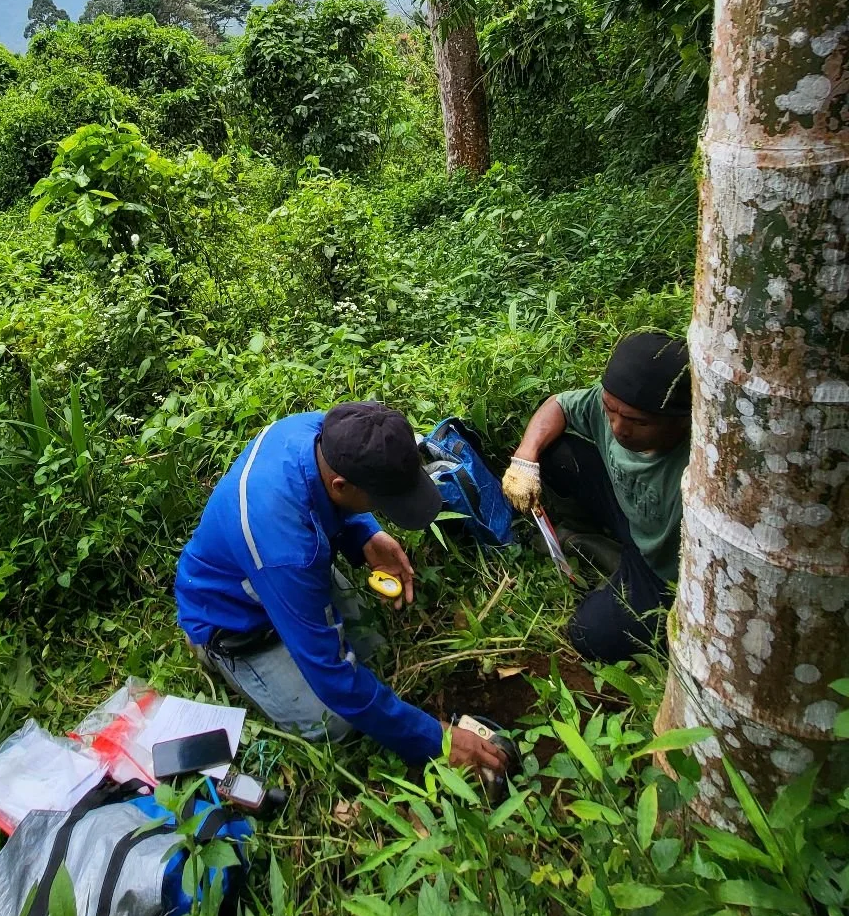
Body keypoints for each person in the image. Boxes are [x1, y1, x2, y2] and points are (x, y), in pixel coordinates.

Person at [175, 402, 509, 777]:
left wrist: (367, 534)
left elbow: (337, 496)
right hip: (235, 617)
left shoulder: (322, 431)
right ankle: (212, 653)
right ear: (341, 486)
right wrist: (438, 739)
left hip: (283, 565)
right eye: (383, 503)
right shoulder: (287, 549)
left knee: (374, 648)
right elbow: (332, 676)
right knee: (332, 722)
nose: (385, 509)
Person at [501, 331, 691, 661]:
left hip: (662, 566)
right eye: (611, 410)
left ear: (683, 420)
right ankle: (597, 538)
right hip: (626, 507)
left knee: (590, 636)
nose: (618, 428)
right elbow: (558, 405)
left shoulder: (699, 467)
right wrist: (525, 457)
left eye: (637, 422)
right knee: (552, 452)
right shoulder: (611, 407)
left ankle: (615, 559)